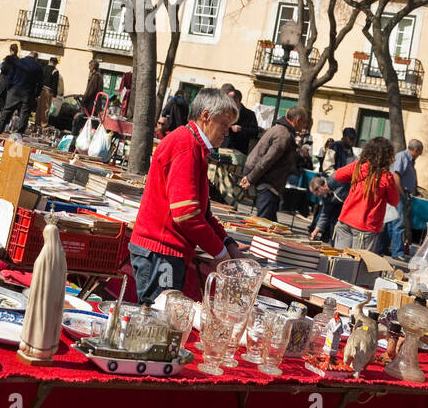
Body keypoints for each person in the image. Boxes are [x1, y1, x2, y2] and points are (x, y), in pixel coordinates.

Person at [128, 87, 243, 304]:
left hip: (163, 250)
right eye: (224, 125)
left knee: (159, 321)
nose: (226, 133)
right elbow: (187, 214)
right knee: (156, 324)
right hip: (161, 250)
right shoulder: (186, 146)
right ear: (206, 116)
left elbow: (201, 213)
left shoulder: (192, 145)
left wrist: (228, 243)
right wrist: (220, 254)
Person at [328, 136, 401, 253]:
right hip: (366, 227)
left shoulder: (358, 167)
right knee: (357, 266)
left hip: (346, 220)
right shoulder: (386, 177)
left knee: (339, 261)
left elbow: (338, 175)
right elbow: (394, 201)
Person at [240, 106, 311, 222]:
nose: (305, 126)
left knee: (269, 224)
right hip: (267, 183)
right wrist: (250, 178)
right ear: (297, 120)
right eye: (304, 122)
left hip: (269, 183)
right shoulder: (284, 134)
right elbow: (267, 160)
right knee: (264, 224)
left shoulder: (281, 129)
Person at [389, 138, 424, 256]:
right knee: (399, 223)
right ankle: (397, 252)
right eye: (420, 151)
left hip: (405, 193)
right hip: (399, 193)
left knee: (393, 222)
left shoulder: (410, 160)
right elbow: (396, 176)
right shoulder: (402, 157)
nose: (420, 154)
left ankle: (387, 248)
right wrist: (401, 193)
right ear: (416, 150)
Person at [0, 50, 44, 133]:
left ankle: (0, 129)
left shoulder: (18, 62)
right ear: (36, 58)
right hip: (28, 93)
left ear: (28, 55)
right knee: (24, 114)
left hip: (14, 90)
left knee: (7, 110)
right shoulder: (38, 67)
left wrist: (9, 88)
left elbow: (10, 76)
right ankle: (19, 133)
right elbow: (40, 83)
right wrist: (37, 95)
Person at [219, 84, 259, 154]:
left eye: (230, 100)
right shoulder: (224, 111)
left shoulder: (250, 114)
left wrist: (241, 129)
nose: (228, 103)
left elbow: (255, 132)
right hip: (222, 147)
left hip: (239, 151)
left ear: (237, 100)